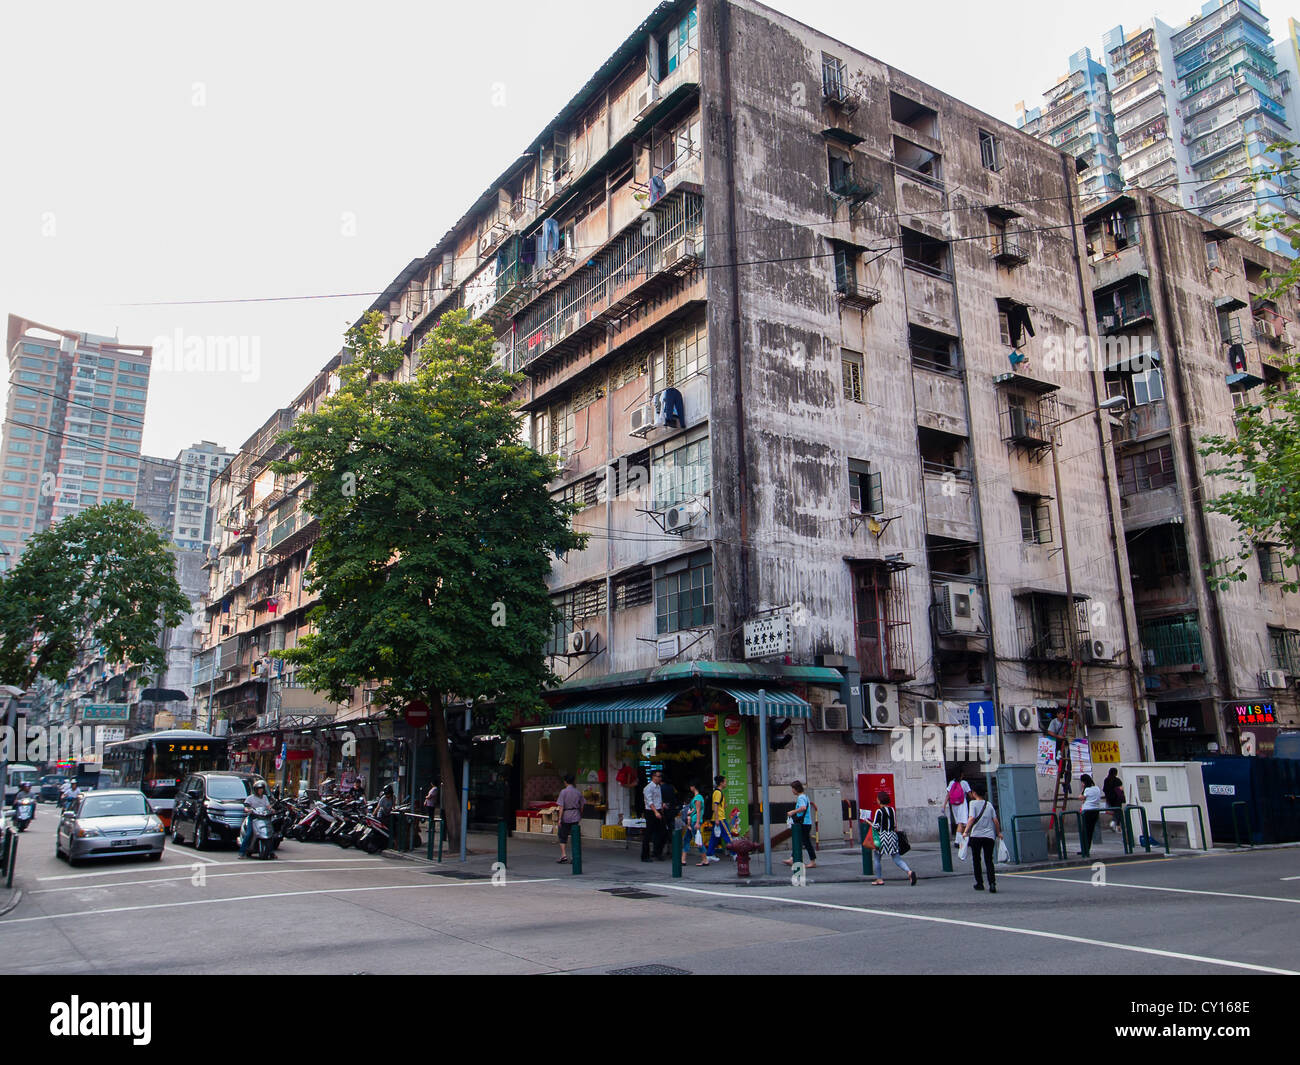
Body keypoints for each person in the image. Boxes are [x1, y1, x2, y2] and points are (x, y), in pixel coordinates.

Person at [864, 791, 915, 886]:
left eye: (877, 799)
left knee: (877, 858)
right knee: (897, 858)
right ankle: (909, 872)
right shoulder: (892, 810)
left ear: (880, 800)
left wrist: (867, 821)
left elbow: (876, 826)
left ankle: (879, 879)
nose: (877, 800)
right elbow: (895, 825)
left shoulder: (879, 811)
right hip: (892, 836)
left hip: (882, 837)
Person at [962, 781, 1003, 893]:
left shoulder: (973, 804)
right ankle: (992, 883)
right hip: (989, 836)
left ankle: (979, 883)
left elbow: (971, 819)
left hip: (976, 836)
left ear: (974, 793)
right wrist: (998, 833)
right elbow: (995, 820)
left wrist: (966, 831)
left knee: (976, 859)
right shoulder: (989, 805)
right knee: (989, 860)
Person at [783, 780, 817, 868]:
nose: (792, 791)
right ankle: (792, 859)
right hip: (805, 823)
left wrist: (792, 812)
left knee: (806, 842)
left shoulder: (801, 797)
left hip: (804, 823)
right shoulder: (805, 796)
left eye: (793, 789)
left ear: (796, 789)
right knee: (799, 841)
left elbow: (803, 808)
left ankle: (812, 862)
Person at [239, 780, 273, 858]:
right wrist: (248, 809)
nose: (260, 790)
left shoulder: (264, 797)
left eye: (262, 788)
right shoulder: (250, 798)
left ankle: (271, 852)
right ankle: (242, 852)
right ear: (255, 789)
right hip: (254, 817)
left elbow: (268, 806)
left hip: (264, 817)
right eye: (259, 788)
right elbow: (246, 807)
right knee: (249, 834)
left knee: (270, 833)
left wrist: (271, 809)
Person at [705, 774, 732, 862]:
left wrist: (723, 807)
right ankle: (735, 853)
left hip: (717, 818)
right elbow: (715, 806)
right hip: (720, 818)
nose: (726, 783)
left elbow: (717, 806)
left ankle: (709, 854)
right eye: (725, 781)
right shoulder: (718, 793)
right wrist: (717, 819)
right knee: (728, 835)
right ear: (721, 783)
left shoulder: (718, 792)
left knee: (714, 837)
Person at [556, 773, 583, 864]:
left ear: (565, 782)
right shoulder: (578, 792)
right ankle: (574, 856)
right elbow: (582, 805)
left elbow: (561, 807)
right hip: (575, 815)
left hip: (566, 816)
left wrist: (559, 819)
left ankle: (563, 855)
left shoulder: (563, 792)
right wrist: (579, 814)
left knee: (562, 836)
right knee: (574, 836)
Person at [1046, 710, 1072, 798]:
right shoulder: (1054, 722)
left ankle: (1067, 782)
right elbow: (1049, 732)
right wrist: (1058, 737)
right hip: (1057, 743)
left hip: (1066, 743)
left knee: (1068, 763)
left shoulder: (1066, 721)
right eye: (1061, 713)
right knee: (1060, 759)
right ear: (1057, 714)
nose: (1062, 715)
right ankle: (1061, 773)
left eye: (1064, 714)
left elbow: (1073, 724)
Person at [641, 770, 665, 862]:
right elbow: (649, 801)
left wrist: (661, 807)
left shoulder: (658, 787)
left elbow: (659, 798)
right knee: (648, 834)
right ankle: (645, 856)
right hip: (651, 811)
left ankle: (657, 852)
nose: (659, 778)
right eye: (657, 776)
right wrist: (656, 812)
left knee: (661, 832)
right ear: (653, 777)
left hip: (658, 810)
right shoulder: (648, 788)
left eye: (660, 776)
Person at [1079, 774, 1105, 854]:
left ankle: (1084, 849)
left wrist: (1082, 790)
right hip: (1095, 811)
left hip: (1087, 811)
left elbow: (1081, 797)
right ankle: (1087, 849)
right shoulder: (1096, 788)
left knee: (1085, 831)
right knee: (1090, 831)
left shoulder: (1087, 790)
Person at [942, 769, 971, 837]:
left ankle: (962, 838)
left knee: (959, 822)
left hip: (954, 805)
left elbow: (948, 795)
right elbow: (970, 794)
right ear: (961, 775)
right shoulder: (964, 783)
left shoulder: (951, 783)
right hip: (962, 804)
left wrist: (944, 805)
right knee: (962, 823)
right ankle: (958, 840)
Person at [684, 782, 707, 866]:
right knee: (687, 839)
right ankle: (683, 859)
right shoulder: (697, 797)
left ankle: (705, 859)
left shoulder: (698, 797)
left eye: (691, 785)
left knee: (698, 840)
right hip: (693, 821)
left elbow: (698, 811)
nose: (690, 787)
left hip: (694, 821)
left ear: (694, 787)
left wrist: (697, 823)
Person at [1102, 768, 1125, 832]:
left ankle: (1115, 824)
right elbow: (1120, 789)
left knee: (1114, 811)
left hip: (1109, 799)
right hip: (1117, 799)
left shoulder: (1106, 780)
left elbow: (1104, 789)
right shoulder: (1117, 780)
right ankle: (1116, 824)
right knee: (1118, 811)